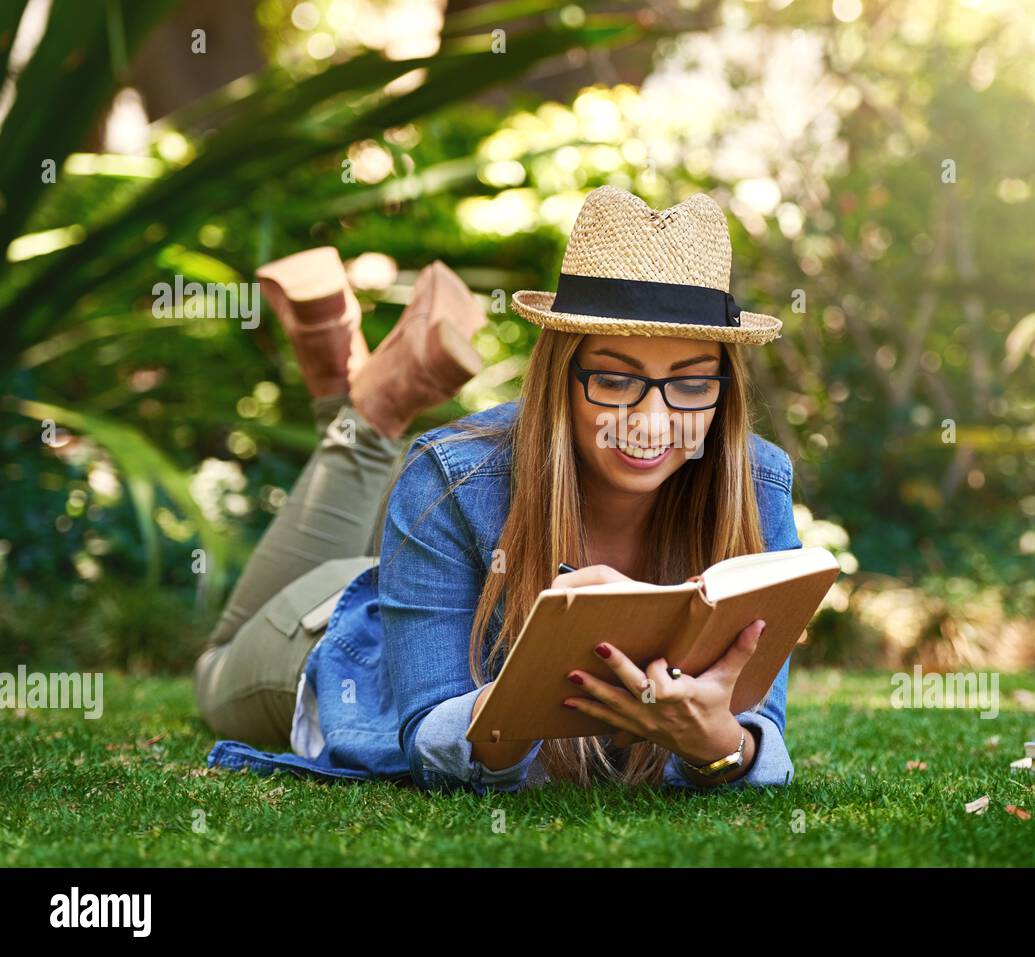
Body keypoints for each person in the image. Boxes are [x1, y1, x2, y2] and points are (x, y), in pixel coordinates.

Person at [199, 186, 802, 794]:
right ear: (559, 373)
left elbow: (756, 732)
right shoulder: (451, 477)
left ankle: (343, 376)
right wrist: (536, 675)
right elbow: (430, 735)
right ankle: (372, 413)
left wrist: (716, 745)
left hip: (417, 574)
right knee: (213, 666)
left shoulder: (757, 483)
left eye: (692, 384)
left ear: (725, 385)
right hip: (337, 643)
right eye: (614, 380)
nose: (649, 423)